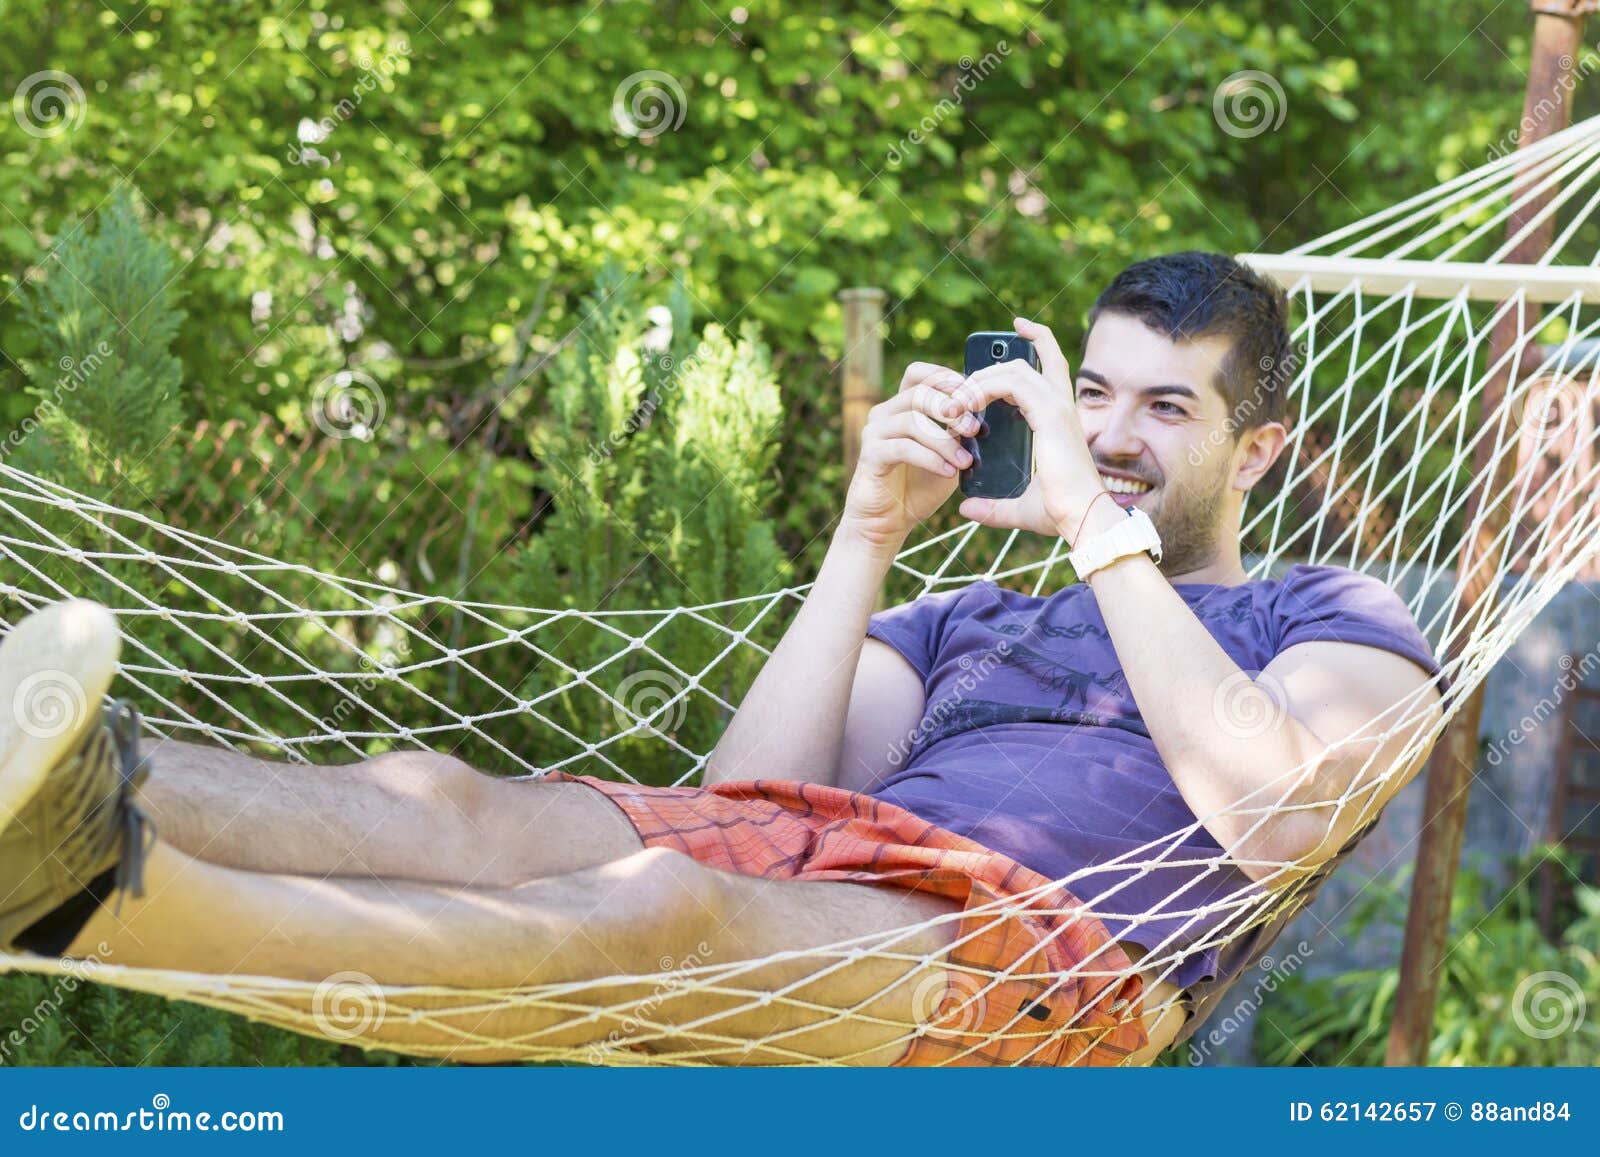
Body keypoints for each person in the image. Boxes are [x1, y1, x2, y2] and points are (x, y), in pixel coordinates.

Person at [0, 252, 1444, 1066]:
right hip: (853, 865)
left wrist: (1083, 519)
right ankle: (55, 775)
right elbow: (754, 799)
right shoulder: (972, 618)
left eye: (1166, 410)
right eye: (1096, 398)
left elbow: (1283, 815)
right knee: (443, 797)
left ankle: (85, 886)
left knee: (657, 914)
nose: (1115, 438)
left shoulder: (1332, 614)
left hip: (1050, 953)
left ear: (1257, 449)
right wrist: (867, 536)